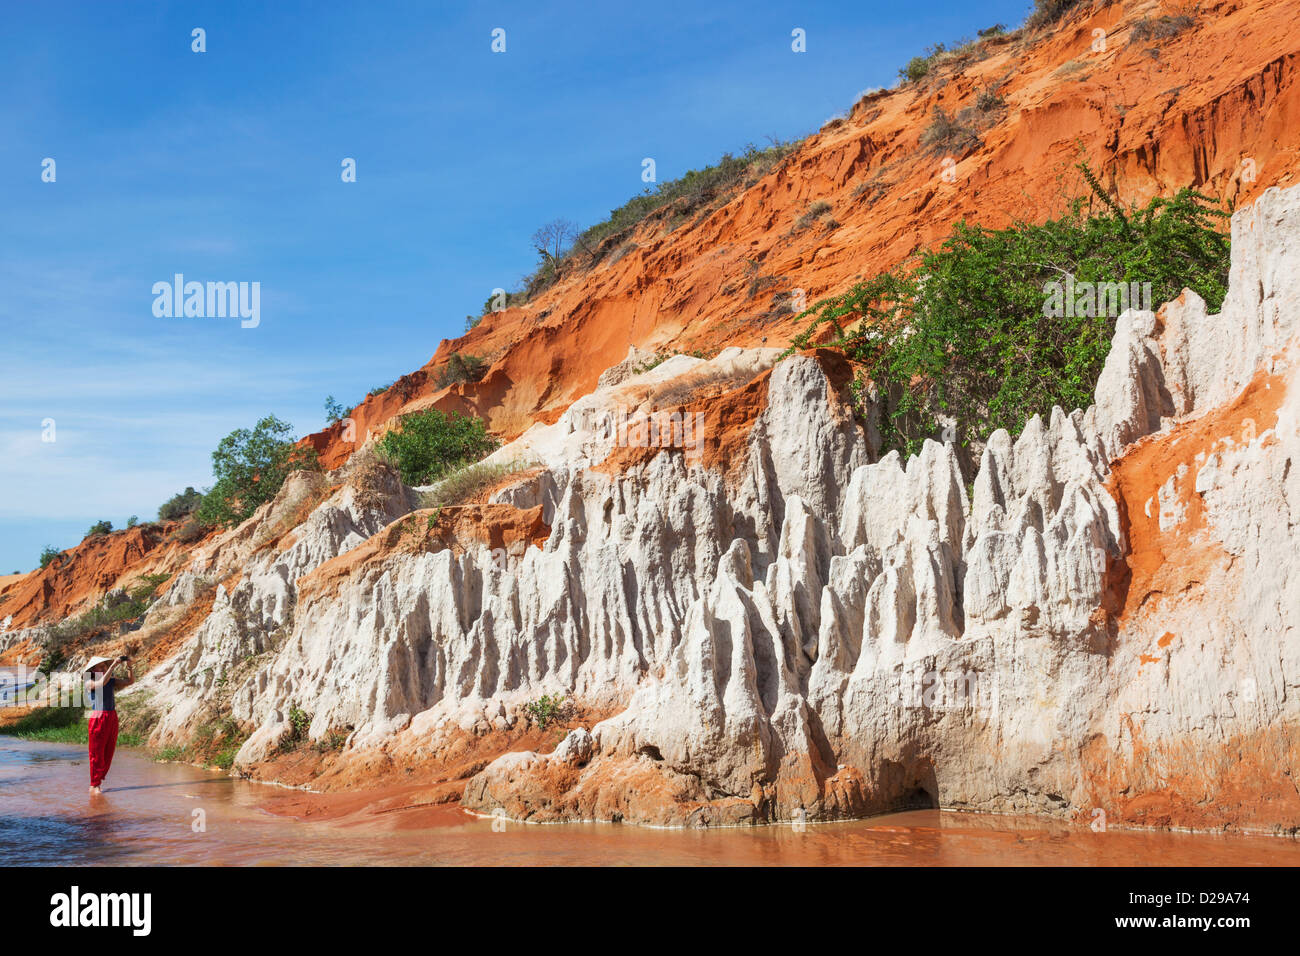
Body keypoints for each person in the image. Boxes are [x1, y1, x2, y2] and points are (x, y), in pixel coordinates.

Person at [83, 655, 133, 794]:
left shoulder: (110, 680)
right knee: (96, 753)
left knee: (108, 752)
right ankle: (94, 785)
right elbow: (100, 684)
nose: (104, 668)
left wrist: (129, 666)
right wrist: (113, 666)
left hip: (111, 716)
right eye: (101, 667)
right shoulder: (89, 682)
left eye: (105, 666)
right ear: (93, 671)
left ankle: (98, 781)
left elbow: (130, 681)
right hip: (99, 717)